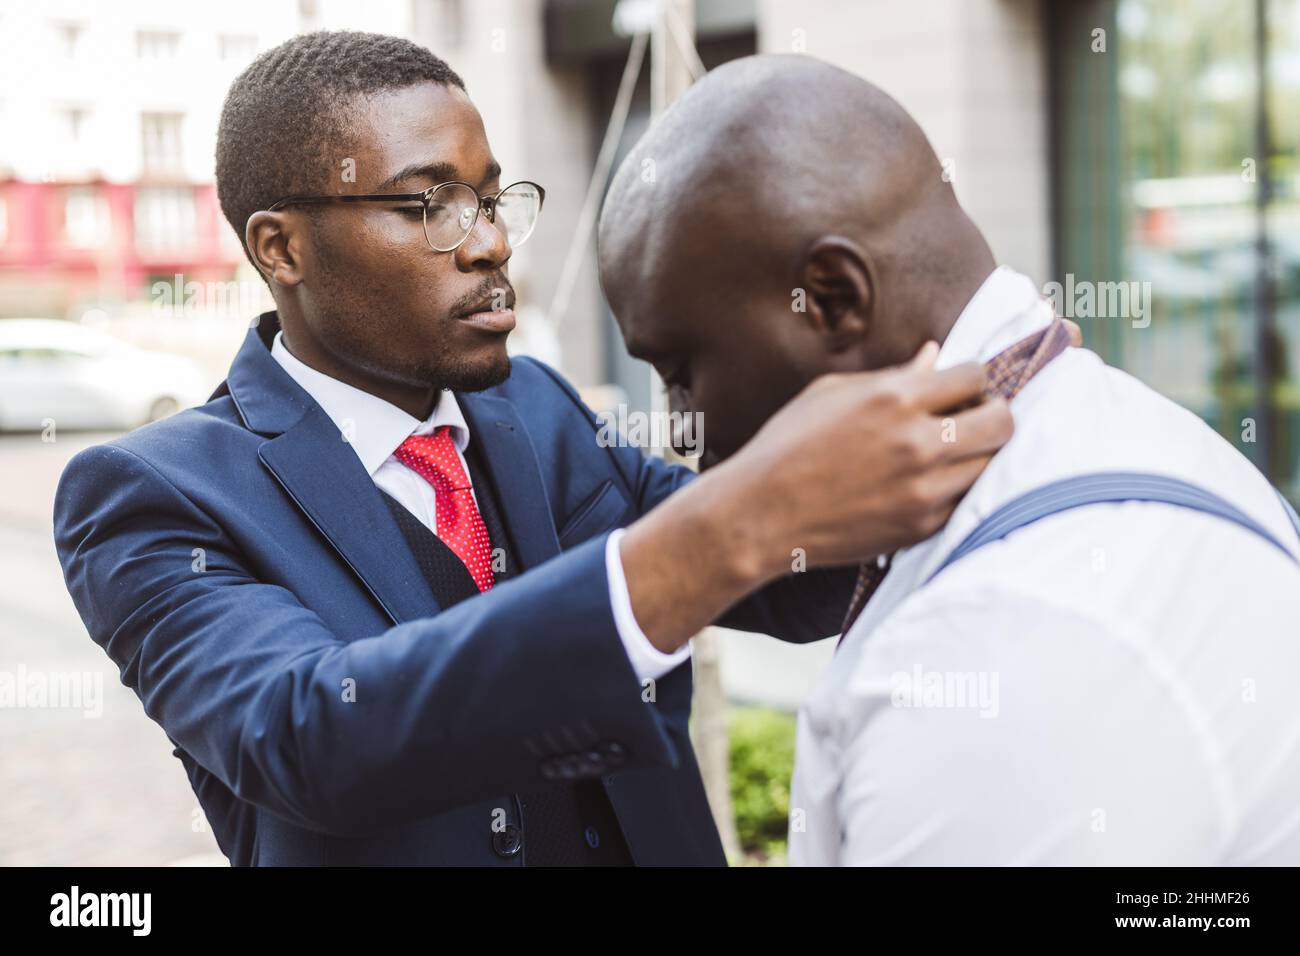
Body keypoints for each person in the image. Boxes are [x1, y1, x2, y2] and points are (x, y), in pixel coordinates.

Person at [52, 33, 1012, 866]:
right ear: (280, 249)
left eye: (491, 197)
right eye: (430, 205)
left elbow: (790, 583)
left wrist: (965, 391)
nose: (490, 244)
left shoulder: (536, 408)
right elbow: (313, 737)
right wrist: (733, 521)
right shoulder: (151, 496)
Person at [597, 53, 1300, 865]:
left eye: (681, 372)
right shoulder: (1109, 427)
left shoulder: (1000, 648)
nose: (681, 428)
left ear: (833, 298)